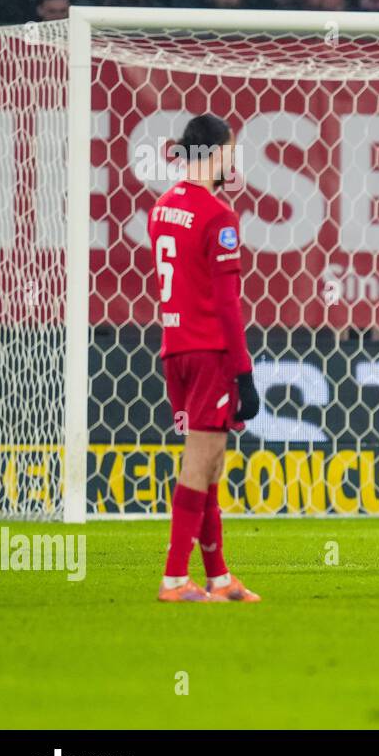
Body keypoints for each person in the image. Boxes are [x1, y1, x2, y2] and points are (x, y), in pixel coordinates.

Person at [147, 114, 261, 602]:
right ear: (216, 153)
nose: (233, 159)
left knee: (209, 464)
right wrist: (244, 372)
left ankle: (217, 577)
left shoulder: (162, 208)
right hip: (210, 353)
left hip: (174, 351)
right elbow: (225, 305)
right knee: (200, 465)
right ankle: (175, 577)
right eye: (230, 150)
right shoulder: (219, 217)